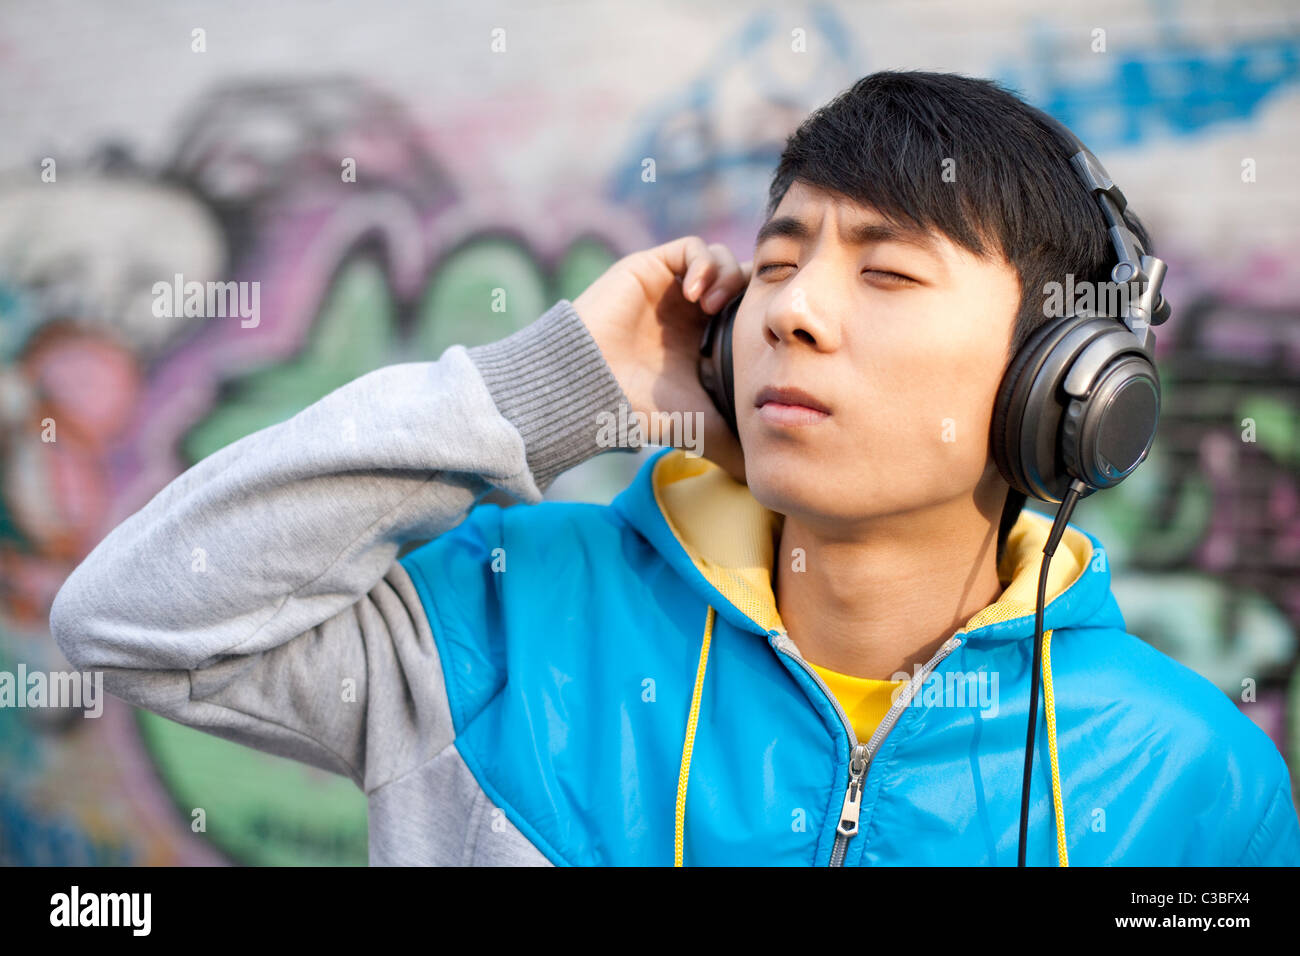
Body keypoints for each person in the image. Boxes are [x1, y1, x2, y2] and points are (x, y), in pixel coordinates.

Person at [50, 70, 1300, 866]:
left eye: (887, 270)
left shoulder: (1192, 774)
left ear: (1062, 378)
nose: (795, 310)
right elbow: (133, 616)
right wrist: (550, 386)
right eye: (777, 258)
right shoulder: (503, 617)